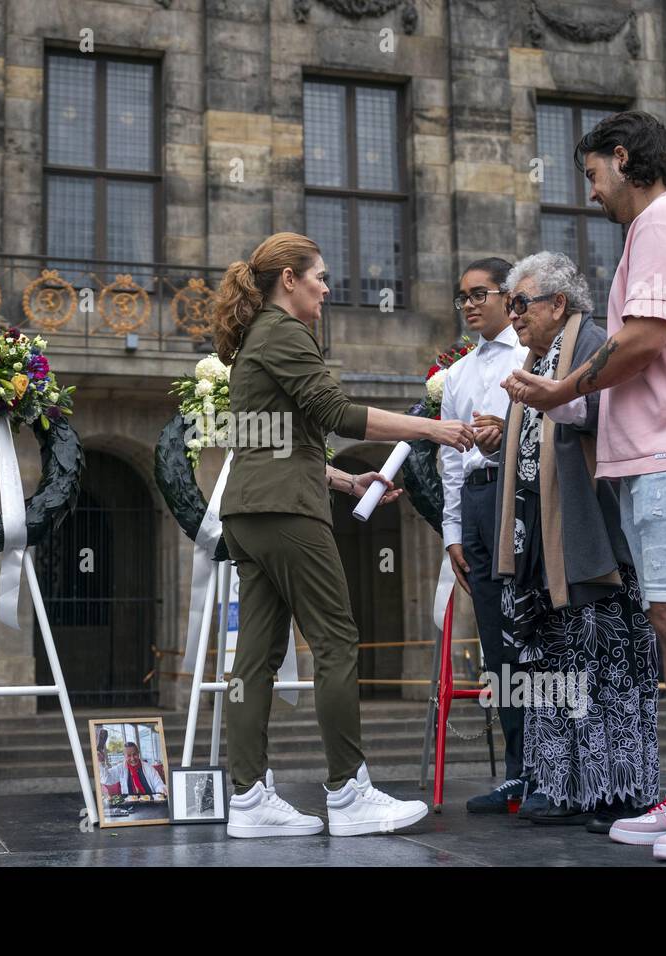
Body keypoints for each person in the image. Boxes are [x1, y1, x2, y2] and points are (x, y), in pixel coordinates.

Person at [503, 111, 666, 862]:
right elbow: (639, 359)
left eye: (591, 174)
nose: (590, 192)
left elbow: (645, 340)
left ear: (623, 159)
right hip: (660, 452)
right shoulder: (663, 225)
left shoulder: (665, 218)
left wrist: (559, 395)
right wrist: (563, 401)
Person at [211, 231, 473, 838]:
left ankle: (248, 798)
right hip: (286, 514)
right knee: (335, 641)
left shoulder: (256, 340)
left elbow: (273, 439)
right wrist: (432, 428)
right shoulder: (285, 333)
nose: (327, 289)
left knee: (255, 658)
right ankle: (348, 794)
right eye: (320, 277)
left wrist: (342, 480)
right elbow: (340, 414)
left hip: (250, 515)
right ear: (288, 281)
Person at [490, 252, 660, 829]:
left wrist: (560, 399)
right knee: (552, 670)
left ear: (557, 303)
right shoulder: (538, 358)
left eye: (521, 304)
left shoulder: (592, 346)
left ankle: (616, 790)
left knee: (604, 668)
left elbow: (620, 416)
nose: (512, 316)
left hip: (592, 541)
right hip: (542, 543)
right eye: (509, 305)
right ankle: (562, 787)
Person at [440, 257, 531, 813]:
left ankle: (555, 767)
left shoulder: (533, 354)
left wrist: (510, 433)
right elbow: (452, 459)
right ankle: (518, 770)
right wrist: (453, 531)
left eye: (481, 293)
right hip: (477, 502)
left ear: (508, 296)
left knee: (537, 634)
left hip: (522, 498)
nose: (470, 304)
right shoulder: (457, 373)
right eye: (463, 296)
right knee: (497, 643)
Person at [98, 741, 165, 796]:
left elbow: (158, 784)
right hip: (130, 807)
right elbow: (106, 779)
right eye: (129, 756)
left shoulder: (149, 768)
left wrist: (162, 789)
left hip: (150, 803)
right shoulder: (120, 768)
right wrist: (102, 763)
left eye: (134, 754)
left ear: (138, 753)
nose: (132, 758)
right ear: (124, 756)